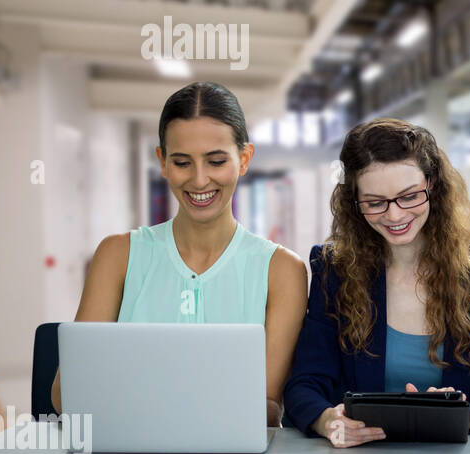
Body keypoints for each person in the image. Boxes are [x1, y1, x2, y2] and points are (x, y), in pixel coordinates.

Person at [49, 82, 307, 427]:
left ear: (244, 159)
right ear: (163, 162)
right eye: (182, 162)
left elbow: (265, 407)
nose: (199, 180)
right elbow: (69, 394)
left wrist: (141, 399)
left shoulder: (282, 270)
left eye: (216, 161)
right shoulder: (118, 255)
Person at [283, 118, 470, 446]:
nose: (394, 216)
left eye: (409, 197)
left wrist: (460, 415)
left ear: (432, 183)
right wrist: (326, 420)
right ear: (354, 201)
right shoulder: (333, 268)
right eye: (375, 202)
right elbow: (304, 384)